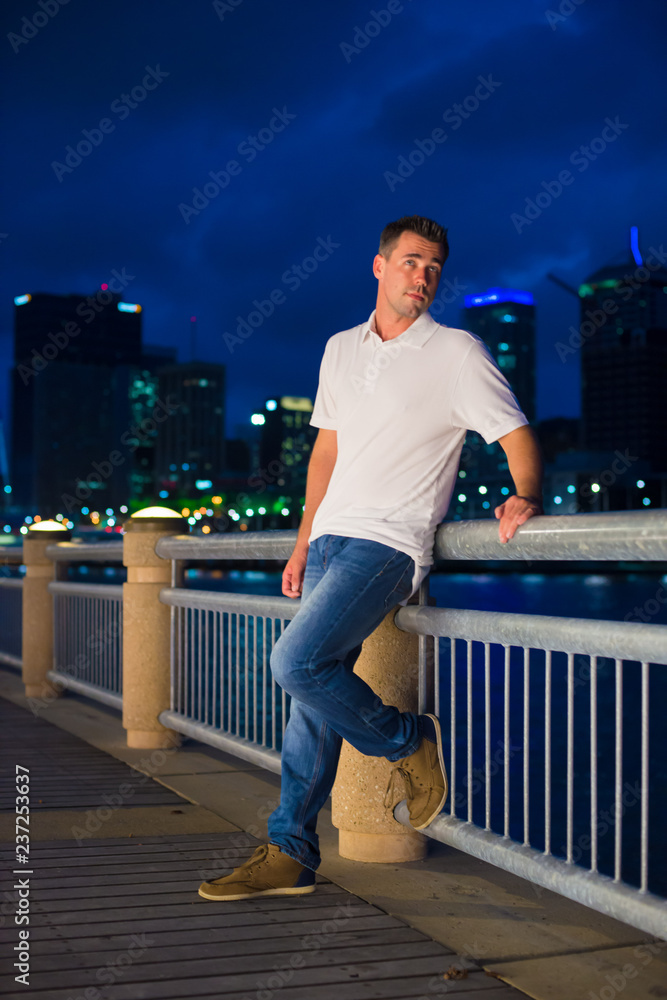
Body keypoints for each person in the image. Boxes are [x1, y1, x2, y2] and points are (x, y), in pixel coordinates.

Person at [199, 214, 543, 902]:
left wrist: (524, 494)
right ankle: (289, 851)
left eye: (435, 266)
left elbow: (514, 433)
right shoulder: (337, 349)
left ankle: (407, 742)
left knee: (293, 663)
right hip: (329, 539)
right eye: (413, 261)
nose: (424, 275)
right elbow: (325, 452)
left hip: (390, 542)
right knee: (308, 705)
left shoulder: (456, 352)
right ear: (379, 266)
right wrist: (301, 542)